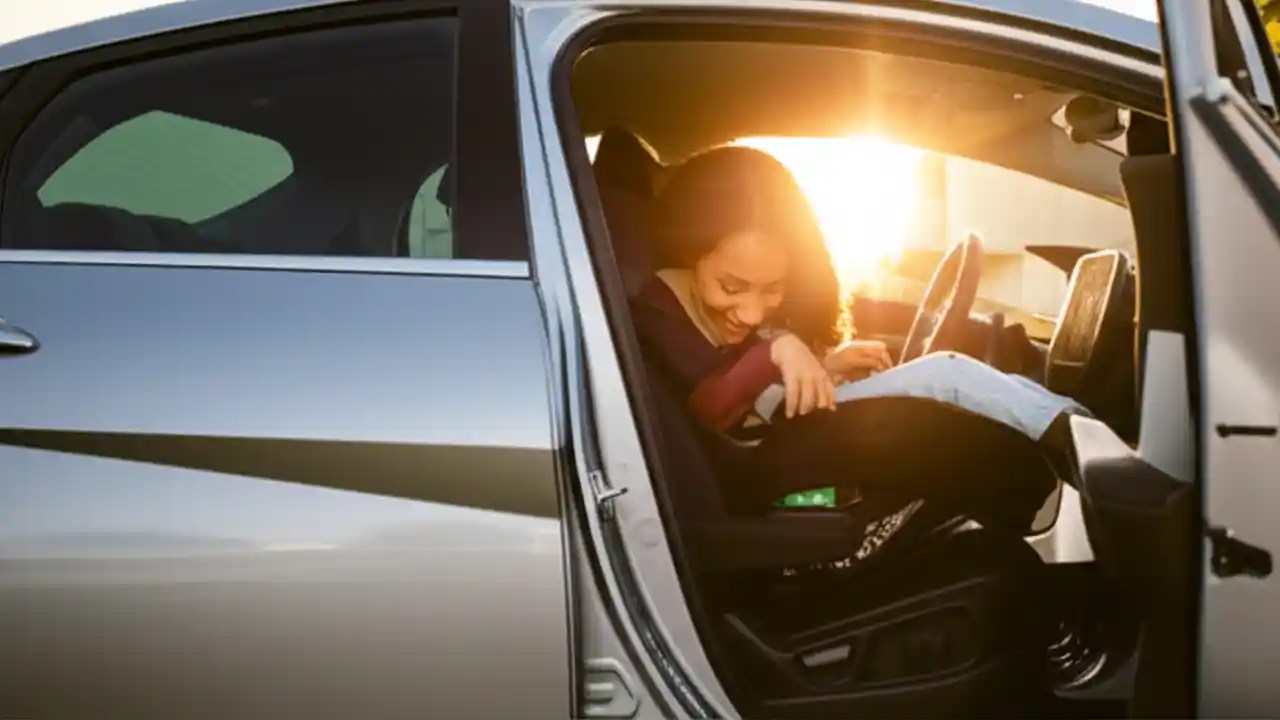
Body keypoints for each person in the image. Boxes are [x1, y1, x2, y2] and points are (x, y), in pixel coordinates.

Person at [630, 145, 1085, 531]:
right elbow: (709, 409)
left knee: (981, 387)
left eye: (773, 290)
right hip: (762, 454)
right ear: (689, 253)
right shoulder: (656, 305)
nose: (751, 313)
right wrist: (776, 352)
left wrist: (823, 368)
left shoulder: (704, 301)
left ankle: (1076, 427)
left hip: (780, 420)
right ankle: (1089, 454)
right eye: (731, 288)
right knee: (946, 373)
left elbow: (752, 377)